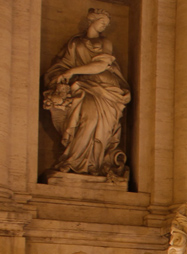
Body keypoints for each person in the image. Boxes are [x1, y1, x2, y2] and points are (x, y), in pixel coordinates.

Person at [42, 9, 131, 179]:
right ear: (92, 20)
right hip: (83, 87)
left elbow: (101, 65)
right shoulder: (74, 43)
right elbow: (63, 64)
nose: (104, 26)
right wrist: (60, 75)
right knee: (88, 119)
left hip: (106, 89)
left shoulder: (105, 42)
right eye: (102, 22)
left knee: (101, 126)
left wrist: (72, 71)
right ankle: (73, 161)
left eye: (107, 24)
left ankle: (94, 164)